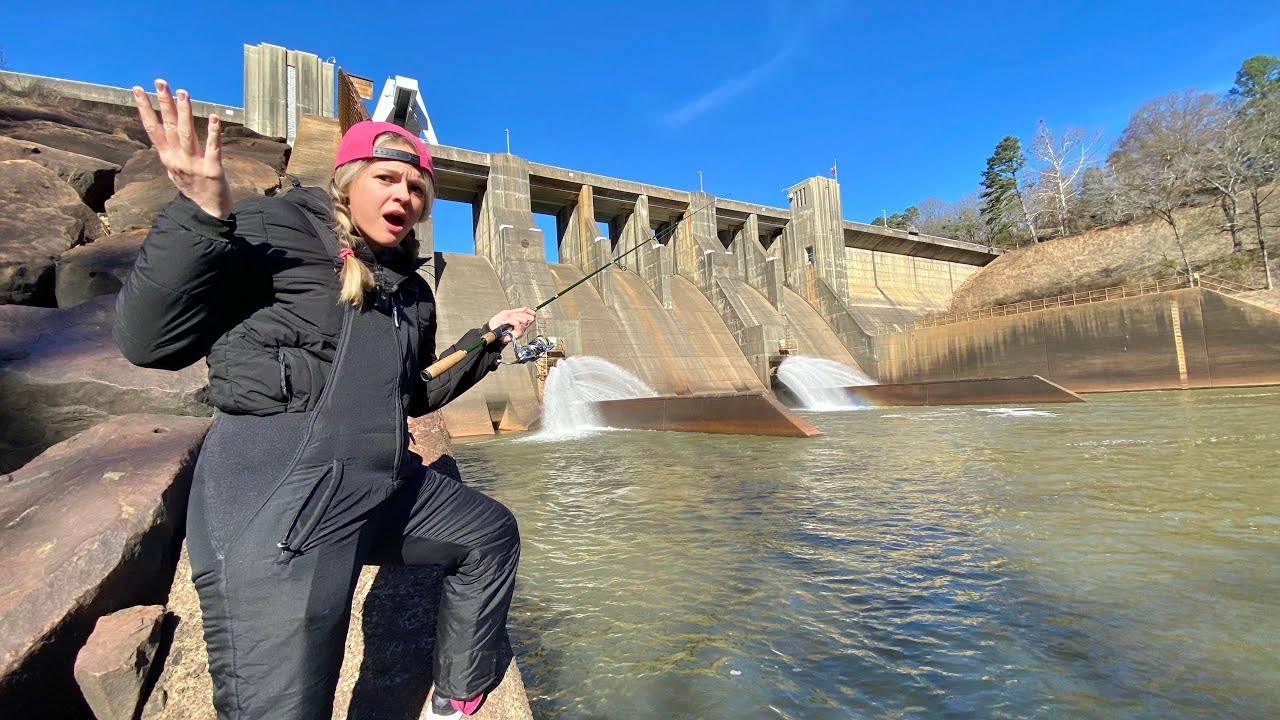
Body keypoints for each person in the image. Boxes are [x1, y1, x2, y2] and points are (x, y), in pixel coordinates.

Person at [114, 79, 536, 720]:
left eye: (416, 188)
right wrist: (197, 216)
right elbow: (150, 342)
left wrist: (486, 342)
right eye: (387, 178)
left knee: (489, 534)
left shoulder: (411, 291)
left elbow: (413, 394)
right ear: (348, 178)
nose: (403, 194)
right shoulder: (272, 228)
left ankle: (457, 696)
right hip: (282, 496)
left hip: (383, 485)